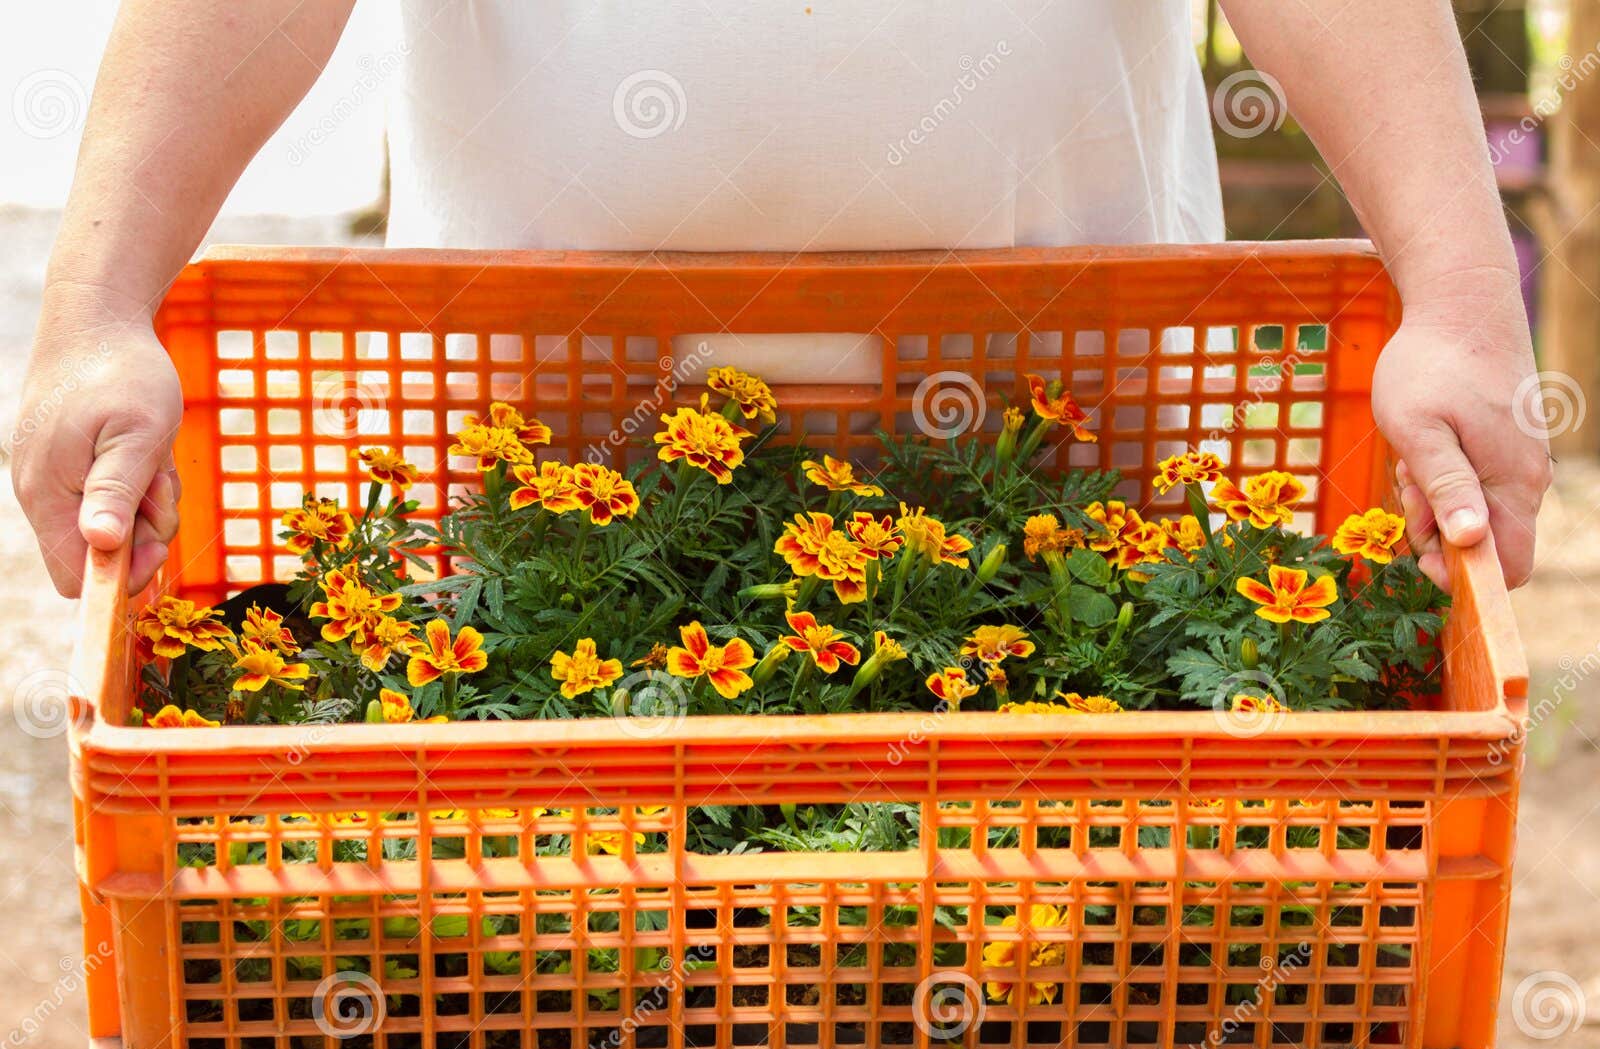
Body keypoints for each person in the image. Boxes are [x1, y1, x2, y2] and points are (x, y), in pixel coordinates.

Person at [11, 0, 1551, 598]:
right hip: (542, 503)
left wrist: (1463, 301)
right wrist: (94, 306)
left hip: (1074, 475)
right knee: (555, 997)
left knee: (1059, 994)